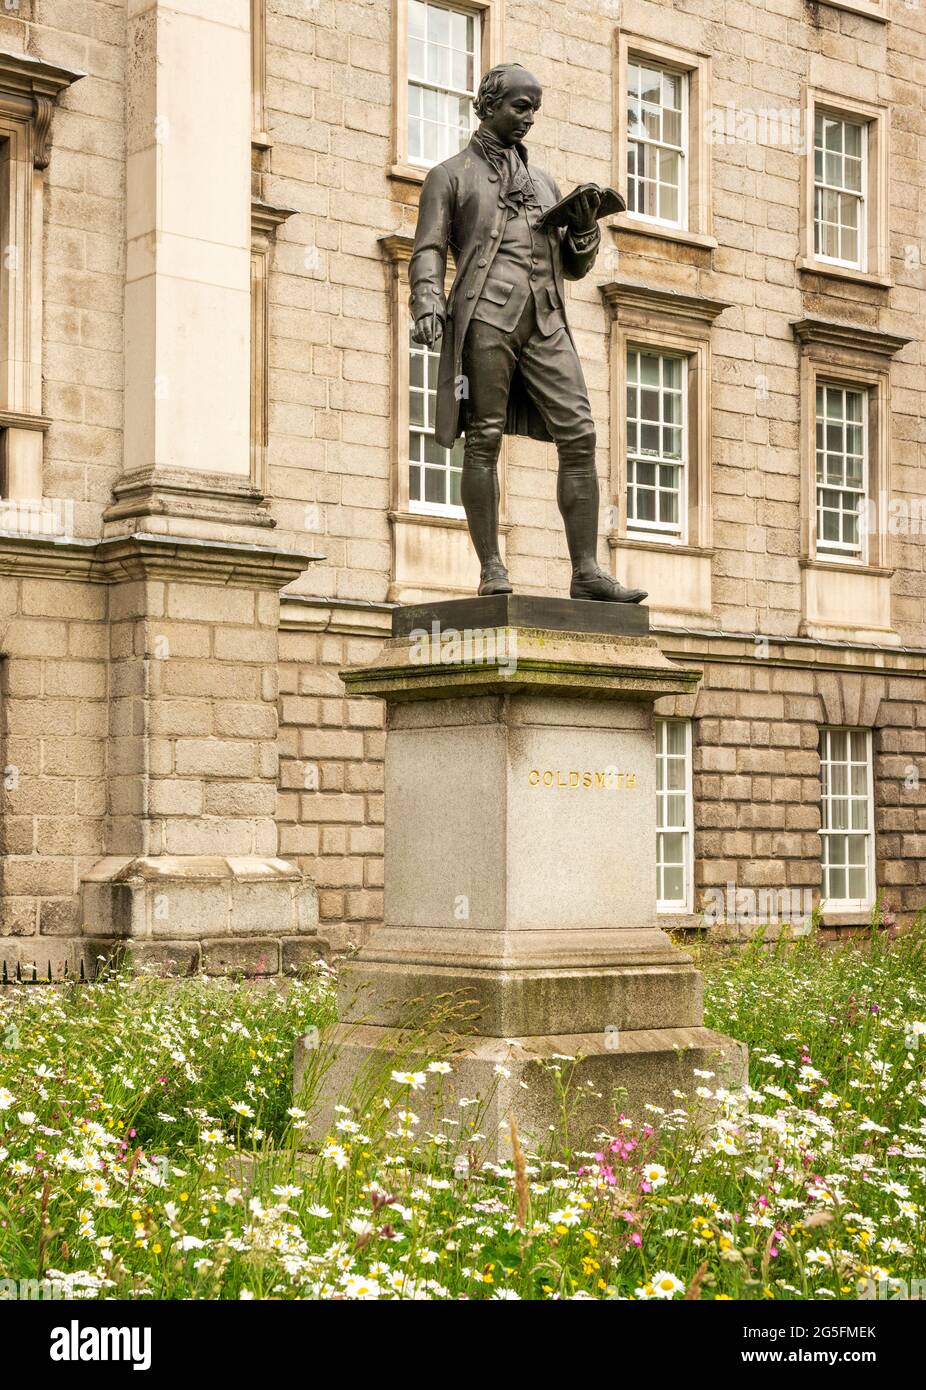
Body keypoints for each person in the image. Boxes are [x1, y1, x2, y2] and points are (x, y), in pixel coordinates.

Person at [409, 62, 646, 603]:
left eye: (535, 108)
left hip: (546, 318)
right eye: (521, 106)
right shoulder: (449, 175)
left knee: (580, 434)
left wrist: (585, 226)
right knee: (483, 440)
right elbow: (427, 247)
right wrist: (426, 300)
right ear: (488, 105)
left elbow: (573, 266)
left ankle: (586, 572)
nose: (529, 118)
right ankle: (492, 567)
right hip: (487, 317)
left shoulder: (544, 183)